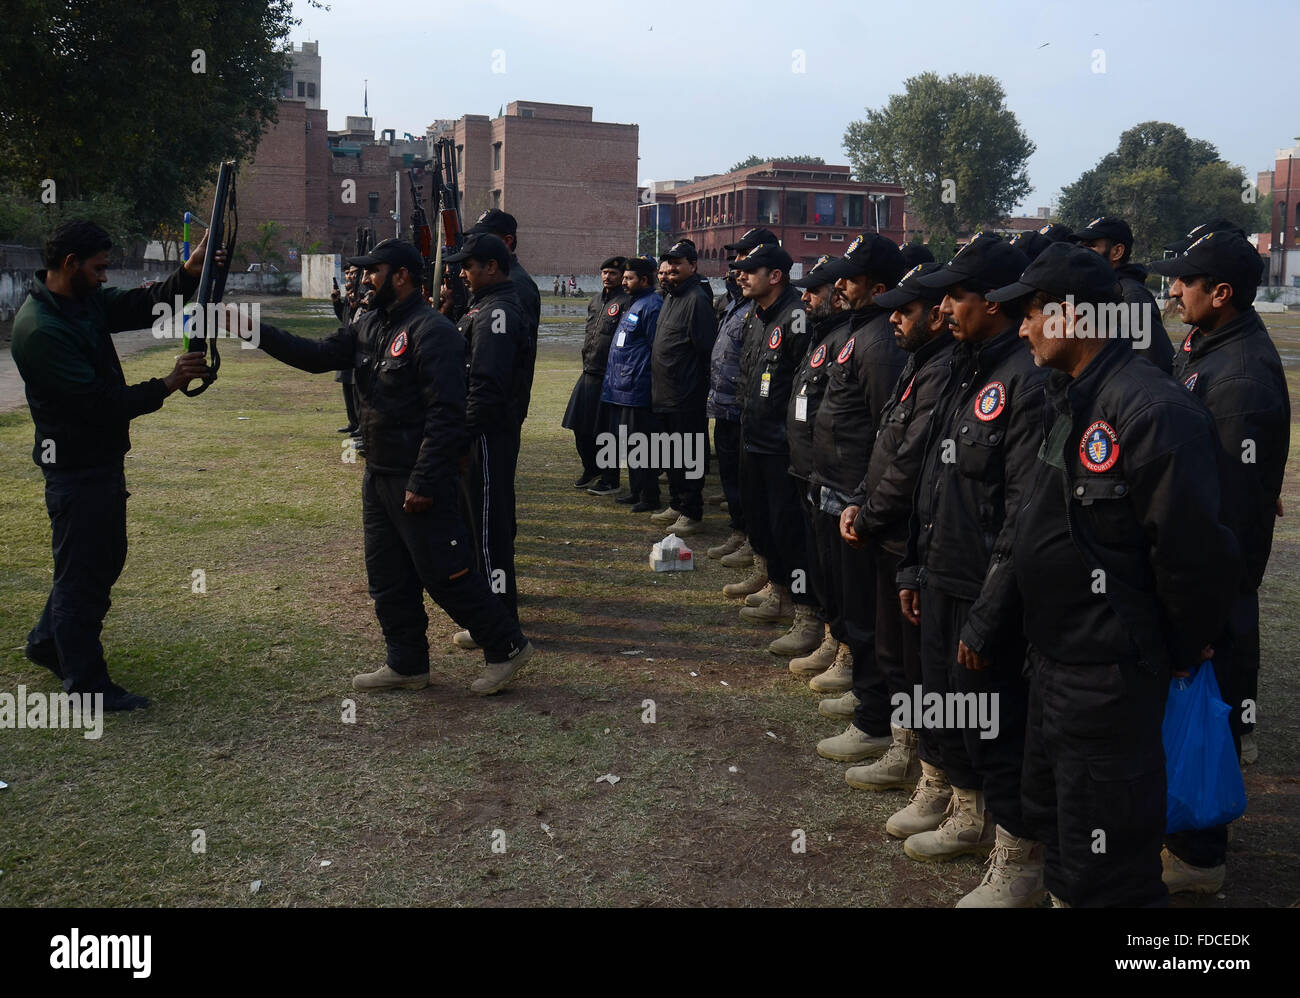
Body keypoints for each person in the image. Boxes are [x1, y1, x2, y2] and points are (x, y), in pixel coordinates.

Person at [989, 241, 1239, 906]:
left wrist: (1167, 652)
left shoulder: (1152, 411)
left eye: (1032, 314)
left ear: (1070, 318)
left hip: (1110, 672)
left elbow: (1193, 559)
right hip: (1056, 660)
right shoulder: (1067, 397)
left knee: (1110, 860)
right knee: (1067, 831)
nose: (1021, 328)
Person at [234, 237, 535, 694]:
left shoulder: (434, 332)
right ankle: (407, 663)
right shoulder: (370, 323)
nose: (363, 279)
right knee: (387, 575)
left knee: (445, 572)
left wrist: (425, 479)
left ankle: (506, 645)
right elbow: (316, 356)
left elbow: (447, 416)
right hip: (379, 472)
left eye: (372, 271)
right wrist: (254, 329)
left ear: (401, 275)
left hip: (417, 477)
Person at [893, 234, 1044, 906]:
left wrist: (988, 615)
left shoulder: (1026, 378)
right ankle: (966, 813)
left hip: (990, 589)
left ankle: (1018, 861)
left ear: (995, 302)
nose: (944, 306)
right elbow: (934, 476)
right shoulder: (963, 363)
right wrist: (914, 567)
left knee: (998, 723)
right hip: (943, 573)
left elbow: (1021, 515)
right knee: (951, 710)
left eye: (956, 295)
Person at [13, 220, 217, 711]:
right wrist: (168, 383)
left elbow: (134, 305)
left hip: (97, 460)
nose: (106, 277)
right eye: (100, 267)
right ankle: (86, 684)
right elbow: (101, 403)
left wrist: (187, 275)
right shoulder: (42, 330)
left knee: (98, 559)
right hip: (75, 466)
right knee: (82, 572)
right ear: (70, 264)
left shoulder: (76, 301)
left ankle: (47, 641)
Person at [1150, 230, 1289, 893]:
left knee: (1208, 716)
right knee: (1186, 717)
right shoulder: (1207, 348)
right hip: (1195, 586)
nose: (1173, 290)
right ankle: (1182, 842)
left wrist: (1198, 618)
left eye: (1185, 281)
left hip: (1213, 594)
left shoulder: (1240, 378)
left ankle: (1199, 860)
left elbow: (1226, 517)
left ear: (1221, 293)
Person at [836, 260, 954, 795]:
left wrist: (872, 512)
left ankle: (928, 772)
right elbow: (885, 443)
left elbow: (913, 461)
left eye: (906, 312)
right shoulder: (917, 362)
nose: (895, 323)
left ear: (936, 315)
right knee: (894, 653)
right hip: (886, 530)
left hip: (909, 537)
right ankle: (902, 749)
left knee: (917, 664)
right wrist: (861, 500)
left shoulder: (944, 368)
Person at [804, 234, 908, 762]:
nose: (838, 285)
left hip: (858, 501)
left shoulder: (881, 344)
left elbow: (883, 434)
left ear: (881, 286)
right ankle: (863, 696)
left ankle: (875, 720)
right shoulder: (858, 331)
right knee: (847, 603)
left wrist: (865, 506)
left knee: (869, 617)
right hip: (836, 491)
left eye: (849, 278)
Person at [731, 241, 817, 654]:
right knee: (761, 520)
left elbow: (804, 387)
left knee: (789, 529)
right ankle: (776, 588)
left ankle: (805, 613)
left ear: (776, 276)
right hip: (754, 435)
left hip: (782, 446)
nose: (741, 275)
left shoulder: (798, 317)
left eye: (751, 269)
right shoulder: (756, 315)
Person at [445, 232, 532, 634]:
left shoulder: (497, 312)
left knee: (488, 531)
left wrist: (463, 436)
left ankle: (498, 620)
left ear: (492, 267)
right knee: (479, 527)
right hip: (482, 432)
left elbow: (486, 384)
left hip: (485, 434)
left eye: (469, 266)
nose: (463, 273)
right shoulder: (485, 306)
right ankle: (491, 614)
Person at [781, 254, 852, 673]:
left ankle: (843, 648)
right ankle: (826, 633)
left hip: (833, 473)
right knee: (816, 560)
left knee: (838, 571)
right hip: (807, 466)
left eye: (815, 291)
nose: (805, 297)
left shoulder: (848, 337)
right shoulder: (820, 333)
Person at [708, 228, 779, 564]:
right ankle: (739, 533)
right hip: (724, 405)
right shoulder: (736, 300)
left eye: (745, 258)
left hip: (746, 411)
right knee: (731, 479)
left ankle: (753, 542)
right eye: (737, 258)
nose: (737, 265)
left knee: (749, 486)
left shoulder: (768, 308)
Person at [649, 238, 717, 535]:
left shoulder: (696, 300)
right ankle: (677, 504)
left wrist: (693, 391)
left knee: (687, 456)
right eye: (669, 263)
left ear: (693, 266)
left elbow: (706, 351)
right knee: (670, 455)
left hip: (686, 398)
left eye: (678, 263)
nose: (672, 269)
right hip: (664, 394)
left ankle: (691, 511)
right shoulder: (670, 297)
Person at [599, 256, 663, 512]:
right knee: (628, 443)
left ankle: (649, 495)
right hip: (621, 388)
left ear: (644, 280)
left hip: (637, 387)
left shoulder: (652, 305)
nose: (623, 282)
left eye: (629, 278)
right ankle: (636, 490)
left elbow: (653, 348)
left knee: (642, 445)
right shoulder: (636, 303)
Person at [1070, 216, 1174, 373]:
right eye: (1080, 246)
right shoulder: (1098, 291)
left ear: (1117, 252)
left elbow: (1153, 364)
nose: (1081, 253)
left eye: (1091, 246)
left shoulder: (1131, 296)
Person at [464, 209, 540, 421]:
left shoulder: (516, 284)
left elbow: (505, 354)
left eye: (485, 237)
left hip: (500, 407)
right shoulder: (492, 283)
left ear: (507, 241)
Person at [564, 256, 630, 494]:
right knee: (579, 425)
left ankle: (610, 477)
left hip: (611, 376)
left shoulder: (627, 302)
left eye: (612, 273)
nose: (607, 276)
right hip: (589, 372)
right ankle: (591, 467)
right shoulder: (594, 301)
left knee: (607, 430)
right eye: (604, 272)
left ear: (622, 276)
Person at [331, 263, 370, 455]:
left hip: (360, 347)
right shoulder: (350, 295)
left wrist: (360, 304)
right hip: (349, 344)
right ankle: (353, 421)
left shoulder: (365, 293)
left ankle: (361, 427)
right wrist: (338, 303)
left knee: (358, 391)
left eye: (353, 273)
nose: (349, 277)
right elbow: (344, 318)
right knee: (347, 386)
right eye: (347, 274)